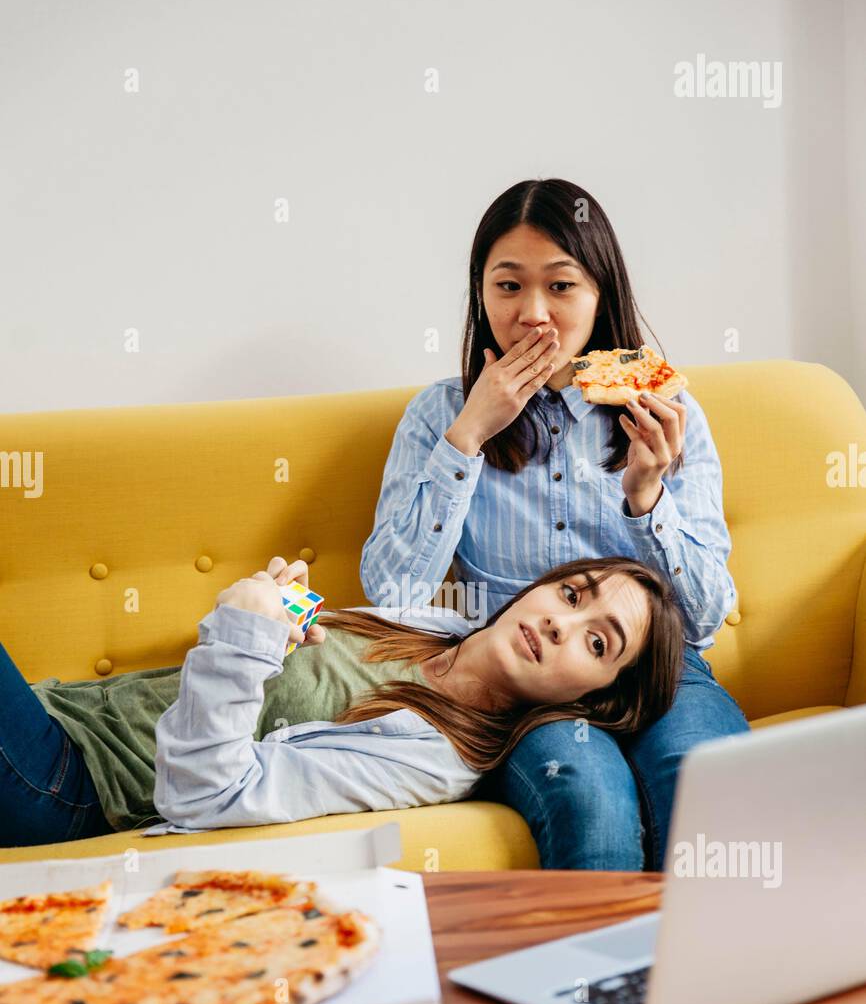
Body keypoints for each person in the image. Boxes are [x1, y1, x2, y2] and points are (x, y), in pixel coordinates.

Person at [361, 177, 751, 872]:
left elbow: (703, 620)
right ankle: (589, 984)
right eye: (508, 286)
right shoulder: (439, 415)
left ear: (602, 295)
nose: (533, 315)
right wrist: (469, 436)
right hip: (525, 678)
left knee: (709, 784)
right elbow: (391, 594)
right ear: (480, 296)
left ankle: (721, 978)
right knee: (591, 805)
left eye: (562, 287)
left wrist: (646, 498)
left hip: (658, 666)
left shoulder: (664, 411)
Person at [0, 554, 684, 847]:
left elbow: (206, 794)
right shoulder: (426, 623)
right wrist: (277, 614)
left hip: (71, 784)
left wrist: (242, 636)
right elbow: (282, 673)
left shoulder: (434, 758)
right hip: (58, 707)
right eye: (571, 594)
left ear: (598, 701)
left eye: (598, 644)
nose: (564, 623)